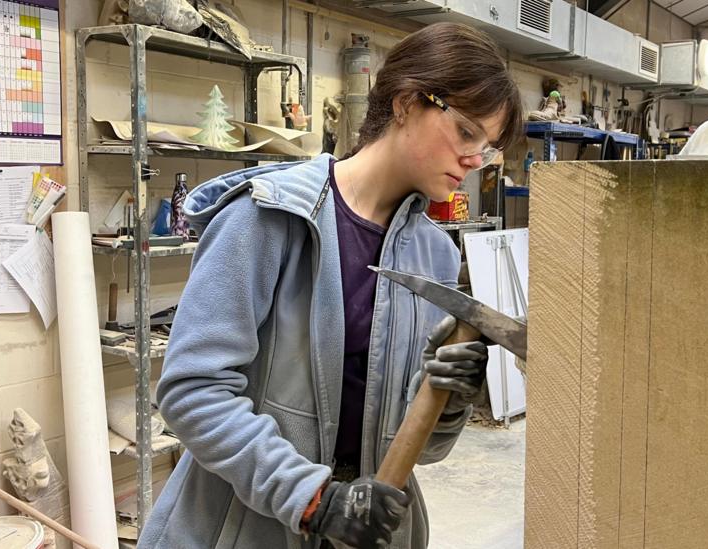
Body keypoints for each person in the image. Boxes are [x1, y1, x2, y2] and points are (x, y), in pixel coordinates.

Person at [138, 22, 523, 549]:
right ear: (408, 102)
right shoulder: (269, 215)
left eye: (490, 146)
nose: (477, 160)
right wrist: (314, 501)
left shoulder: (434, 252)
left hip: (373, 531)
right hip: (244, 527)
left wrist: (448, 398)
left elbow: (420, 450)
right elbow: (191, 392)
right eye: (466, 132)